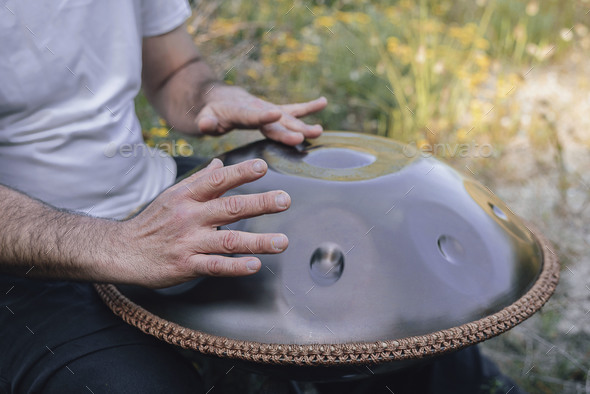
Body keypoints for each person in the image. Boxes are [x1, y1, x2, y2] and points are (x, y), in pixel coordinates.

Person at [0, 1, 326, 392]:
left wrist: (209, 96)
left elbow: (174, 71)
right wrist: (120, 245)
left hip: (154, 194)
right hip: (24, 261)